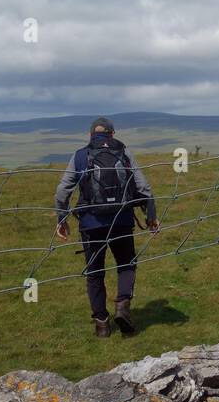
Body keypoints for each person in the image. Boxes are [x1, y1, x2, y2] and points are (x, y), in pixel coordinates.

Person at [54, 118, 158, 337]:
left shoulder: (80, 155)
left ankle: (102, 323)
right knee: (126, 264)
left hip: (91, 223)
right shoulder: (124, 152)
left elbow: (63, 191)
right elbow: (144, 187)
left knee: (95, 273)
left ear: (91, 134)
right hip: (121, 219)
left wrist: (61, 220)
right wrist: (151, 217)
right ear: (112, 133)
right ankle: (122, 306)